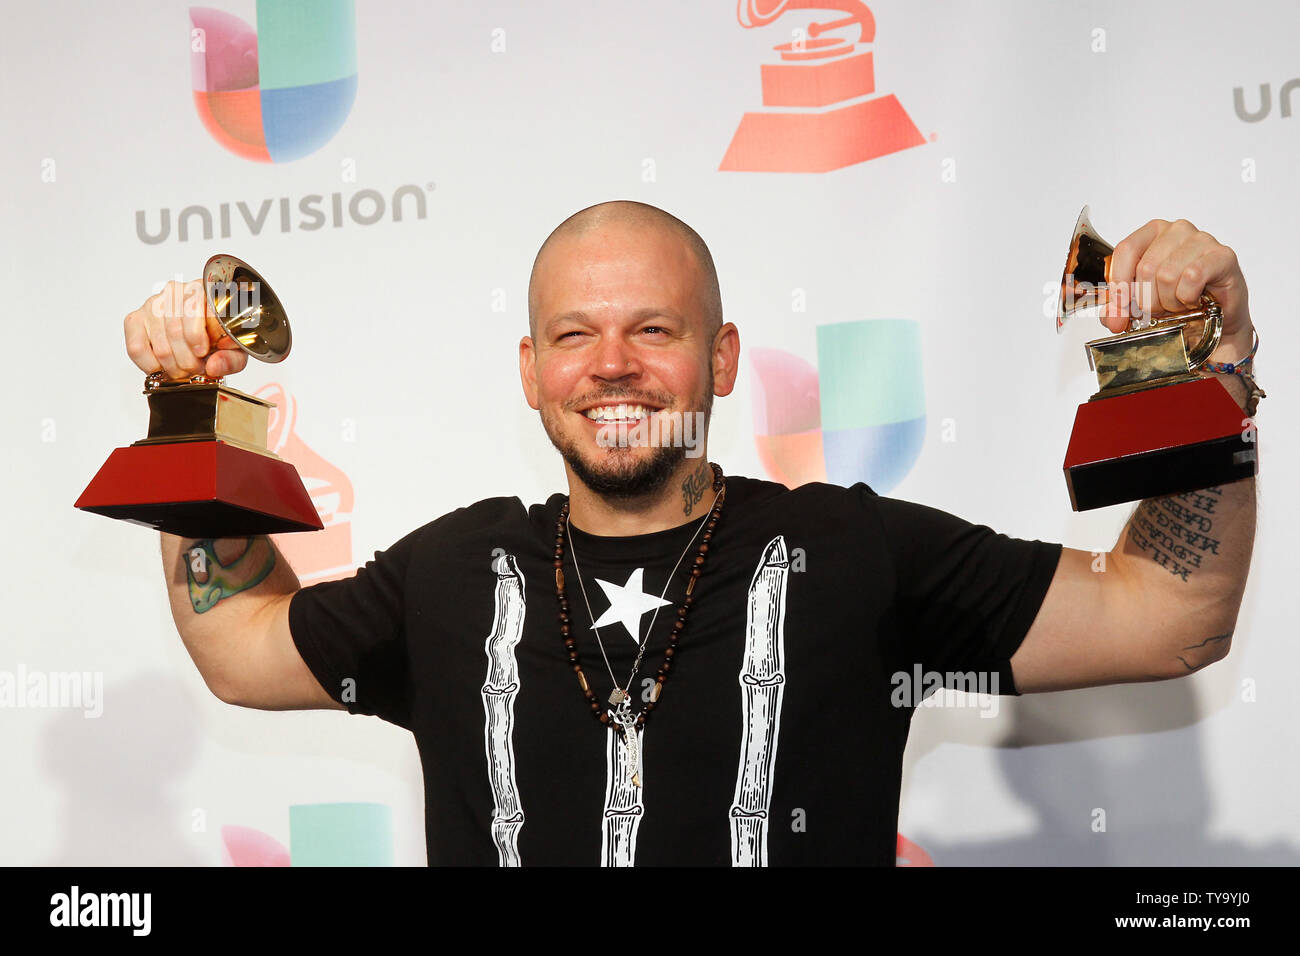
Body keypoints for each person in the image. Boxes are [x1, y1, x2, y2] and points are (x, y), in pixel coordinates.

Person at [123, 201, 1259, 866]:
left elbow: (1165, 618)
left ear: (720, 357)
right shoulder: (452, 569)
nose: (611, 364)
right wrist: (188, 407)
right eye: (573, 333)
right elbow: (241, 643)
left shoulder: (855, 552)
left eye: (653, 327)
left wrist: (1214, 359)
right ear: (531, 373)